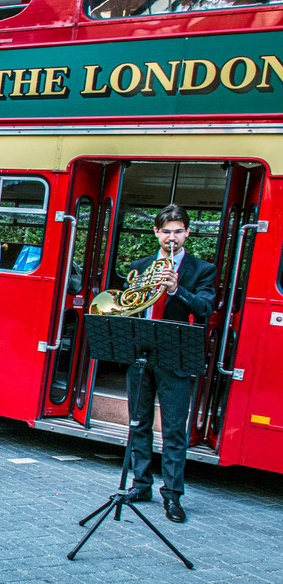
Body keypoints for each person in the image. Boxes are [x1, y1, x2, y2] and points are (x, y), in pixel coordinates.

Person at [123, 203, 215, 524]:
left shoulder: (201, 270)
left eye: (178, 231)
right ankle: (141, 484)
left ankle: (173, 495)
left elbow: (204, 307)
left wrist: (177, 289)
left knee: (175, 430)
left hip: (175, 357)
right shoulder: (140, 265)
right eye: (166, 231)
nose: (171, 237)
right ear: (156, 233)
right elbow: (128, 306)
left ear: (187, 233)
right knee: (138, 423)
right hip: (140, 355)